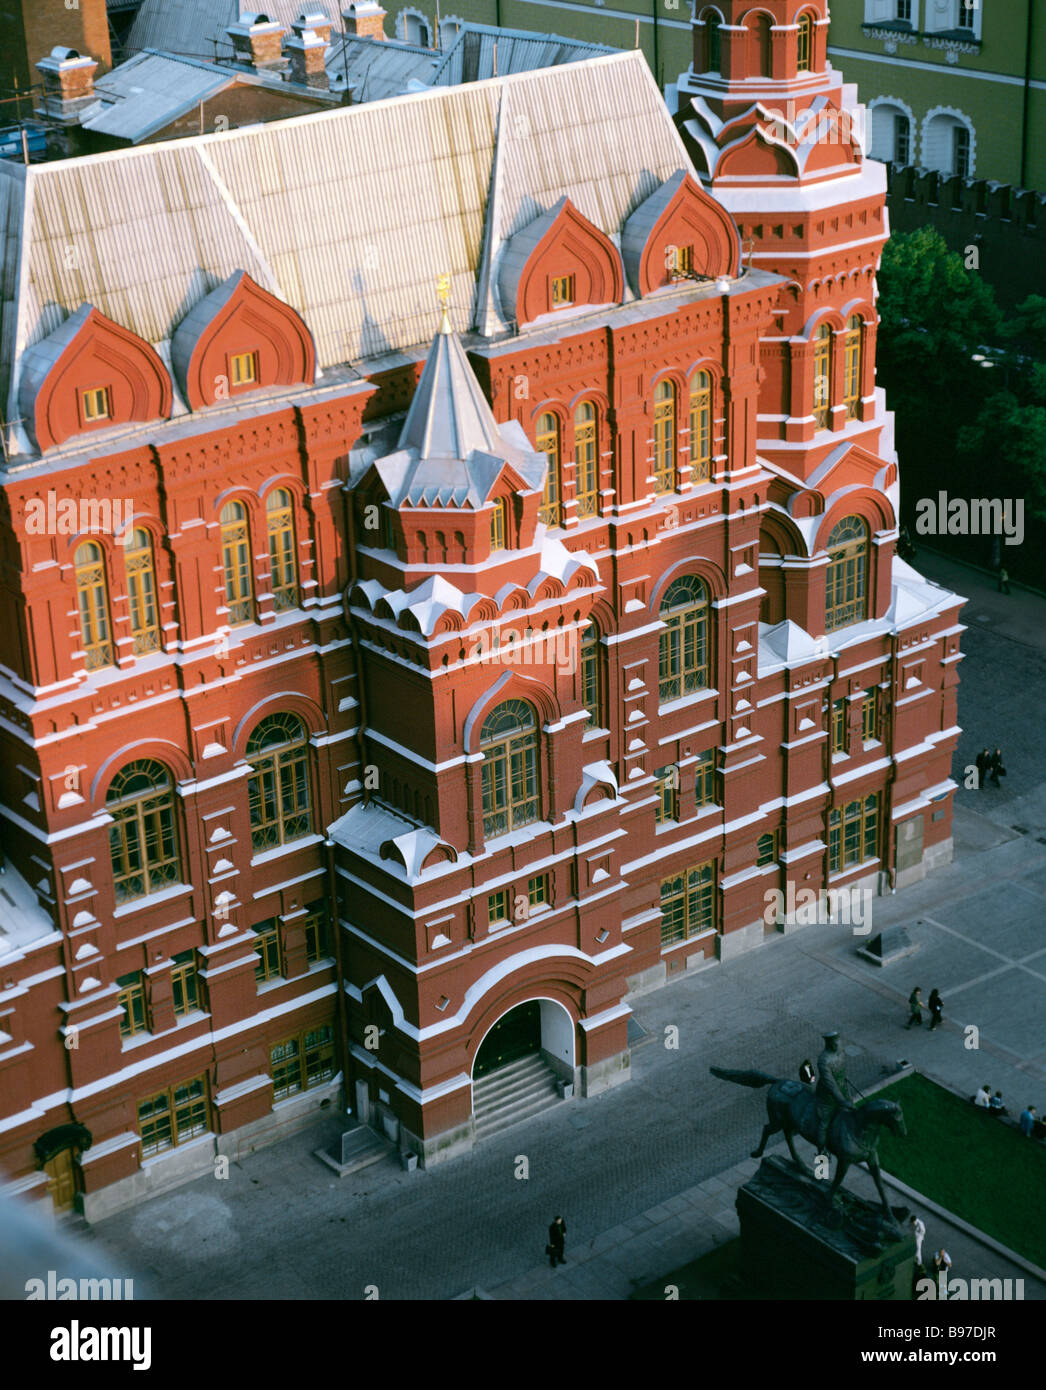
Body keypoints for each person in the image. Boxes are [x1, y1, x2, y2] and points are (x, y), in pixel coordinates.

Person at [814, 1031, 855, 1153]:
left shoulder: (841, 1053)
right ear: (830, 1044)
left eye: (839, 1042)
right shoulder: (823, 1060)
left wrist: (845, 1081)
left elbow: (842, 1070)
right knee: (824, 1123)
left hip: (843, 1088)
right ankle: (821, 1149)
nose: (839, 1045)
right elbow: (830, 1084)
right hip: (827, 1096)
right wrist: (841, 1100)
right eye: (836, 1043)